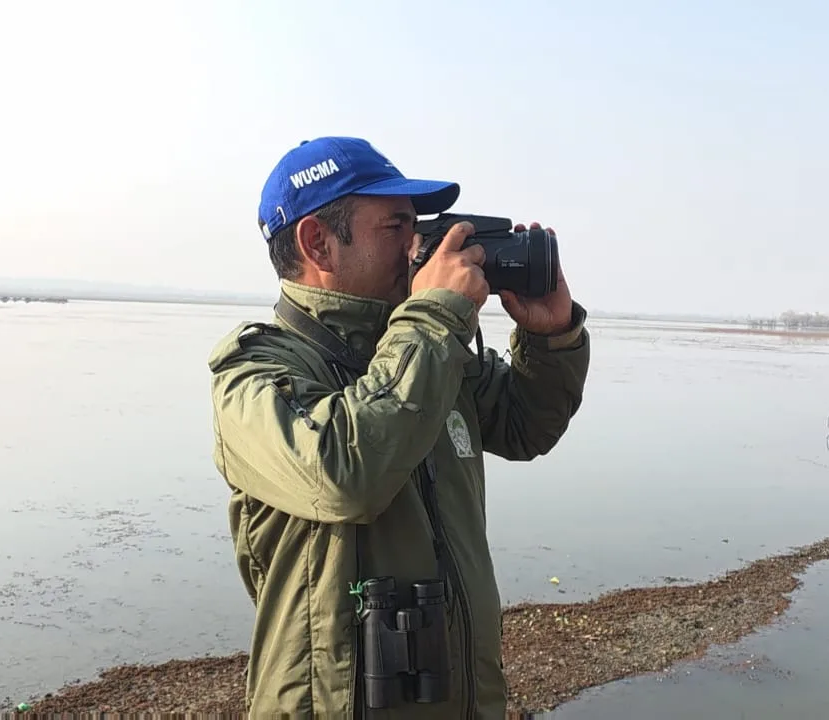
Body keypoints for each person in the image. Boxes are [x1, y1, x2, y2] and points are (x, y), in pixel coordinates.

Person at [207, 136, 591, 718]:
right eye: (396, 228)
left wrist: (550, 335)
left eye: (419, 228)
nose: (419, 248)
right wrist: (436, 314)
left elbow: (525, 427)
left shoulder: (428, 348)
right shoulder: (256, 374)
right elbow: (341, 474)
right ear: (319, 242)